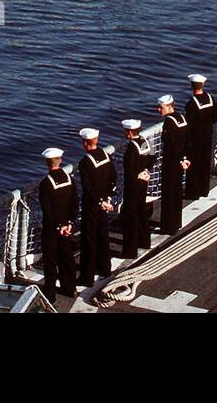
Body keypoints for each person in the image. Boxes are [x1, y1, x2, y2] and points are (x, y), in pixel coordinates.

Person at [37, 147, 77, 300]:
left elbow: (47, 211)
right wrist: (68, 224)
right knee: (67, 258)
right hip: (66, 227)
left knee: (50, 260)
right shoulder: (69, 179)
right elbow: (74, 203)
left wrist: (58, 226)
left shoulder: (45, 184)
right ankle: (70, 288)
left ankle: (50, 294)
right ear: (60, 160)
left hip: (52, 229)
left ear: (47, 163)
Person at [77, 127, 116, 286]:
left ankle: (87, 276)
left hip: (92, 206)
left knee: (89, 240)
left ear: (85, 143)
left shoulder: (85, 162)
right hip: (104, 204)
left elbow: (88, 188)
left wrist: (99, 201)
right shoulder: (106, 155)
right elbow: (113, 178)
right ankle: (105, 268)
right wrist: (107, 199)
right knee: (102, 235)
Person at [120, 119, 155, 258]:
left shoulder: (131, 148)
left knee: (131, 216)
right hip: (144, 182)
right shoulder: (146, 142)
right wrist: (146, 171)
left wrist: (137, 174)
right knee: (142, 211)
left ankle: (130, 250)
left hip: (132, 185)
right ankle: (145, 241)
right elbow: (152, 158)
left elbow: (129, 170)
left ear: (129, 132)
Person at [157, 95, 190, 234]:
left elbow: (170, 144)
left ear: (169, 106)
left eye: (161, 107)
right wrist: (185, 159)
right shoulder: (182, 119)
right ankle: (176, 221)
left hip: (171, 163)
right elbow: (187, 141)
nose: (159, 110)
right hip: (180, 162)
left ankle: (168, 227)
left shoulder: (169, 122)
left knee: (169, 194)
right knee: (177, 192)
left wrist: (178, 159)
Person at [184, 75, 217, 200]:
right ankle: (204, 190)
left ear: (192, 86)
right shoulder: (210, 98)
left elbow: (189, 123)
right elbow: (215, 117)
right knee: (205, 162)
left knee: (194, 165)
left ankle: (192, 192)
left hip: (195, 139)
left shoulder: (192, 103)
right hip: (208, 136)